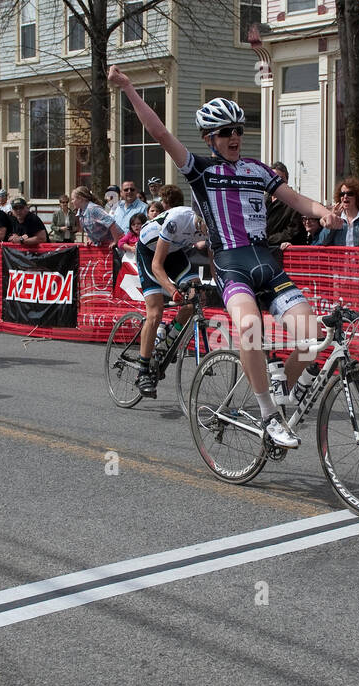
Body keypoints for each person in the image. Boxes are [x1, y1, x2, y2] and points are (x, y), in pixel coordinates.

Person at [110, 66, 338, 448]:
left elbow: (297, 200)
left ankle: (284, 391)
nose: (234, 137)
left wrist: (323, 211)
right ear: (209, 139)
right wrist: (129, 88)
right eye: (225, 132)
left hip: (267, 265)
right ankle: (268, 415)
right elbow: (160, 133)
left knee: (314, 335)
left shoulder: (257, 169)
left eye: (238, 130)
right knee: (250, 327)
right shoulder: (201, 170)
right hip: (232, 267)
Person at [132, 185, 208, 398]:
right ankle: (143, 370)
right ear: (198, 219)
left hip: (174, 252)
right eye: (206, 226)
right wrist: (172, 291)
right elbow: (157, 265)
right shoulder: (178, 220)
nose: (208, 231)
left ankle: (167, 338)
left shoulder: (211, 227)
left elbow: (215, 260)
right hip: (149, 252)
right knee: (155, 312)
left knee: (195, 299)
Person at [316, 177, 359, 246]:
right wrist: (333, 219)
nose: (345, 196)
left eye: (350, 194)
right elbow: (322, 241)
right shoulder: (336, 218)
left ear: (357, 196)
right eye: (342, 194)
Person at [265, 162, 306, 249]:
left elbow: (293, 230)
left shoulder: (294, 202)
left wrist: (269, 239)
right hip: (261, 248)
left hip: (282, 250)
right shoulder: (262, 200)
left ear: (286, 181)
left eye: (280, 179)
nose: (276, 182)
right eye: (273, 178)